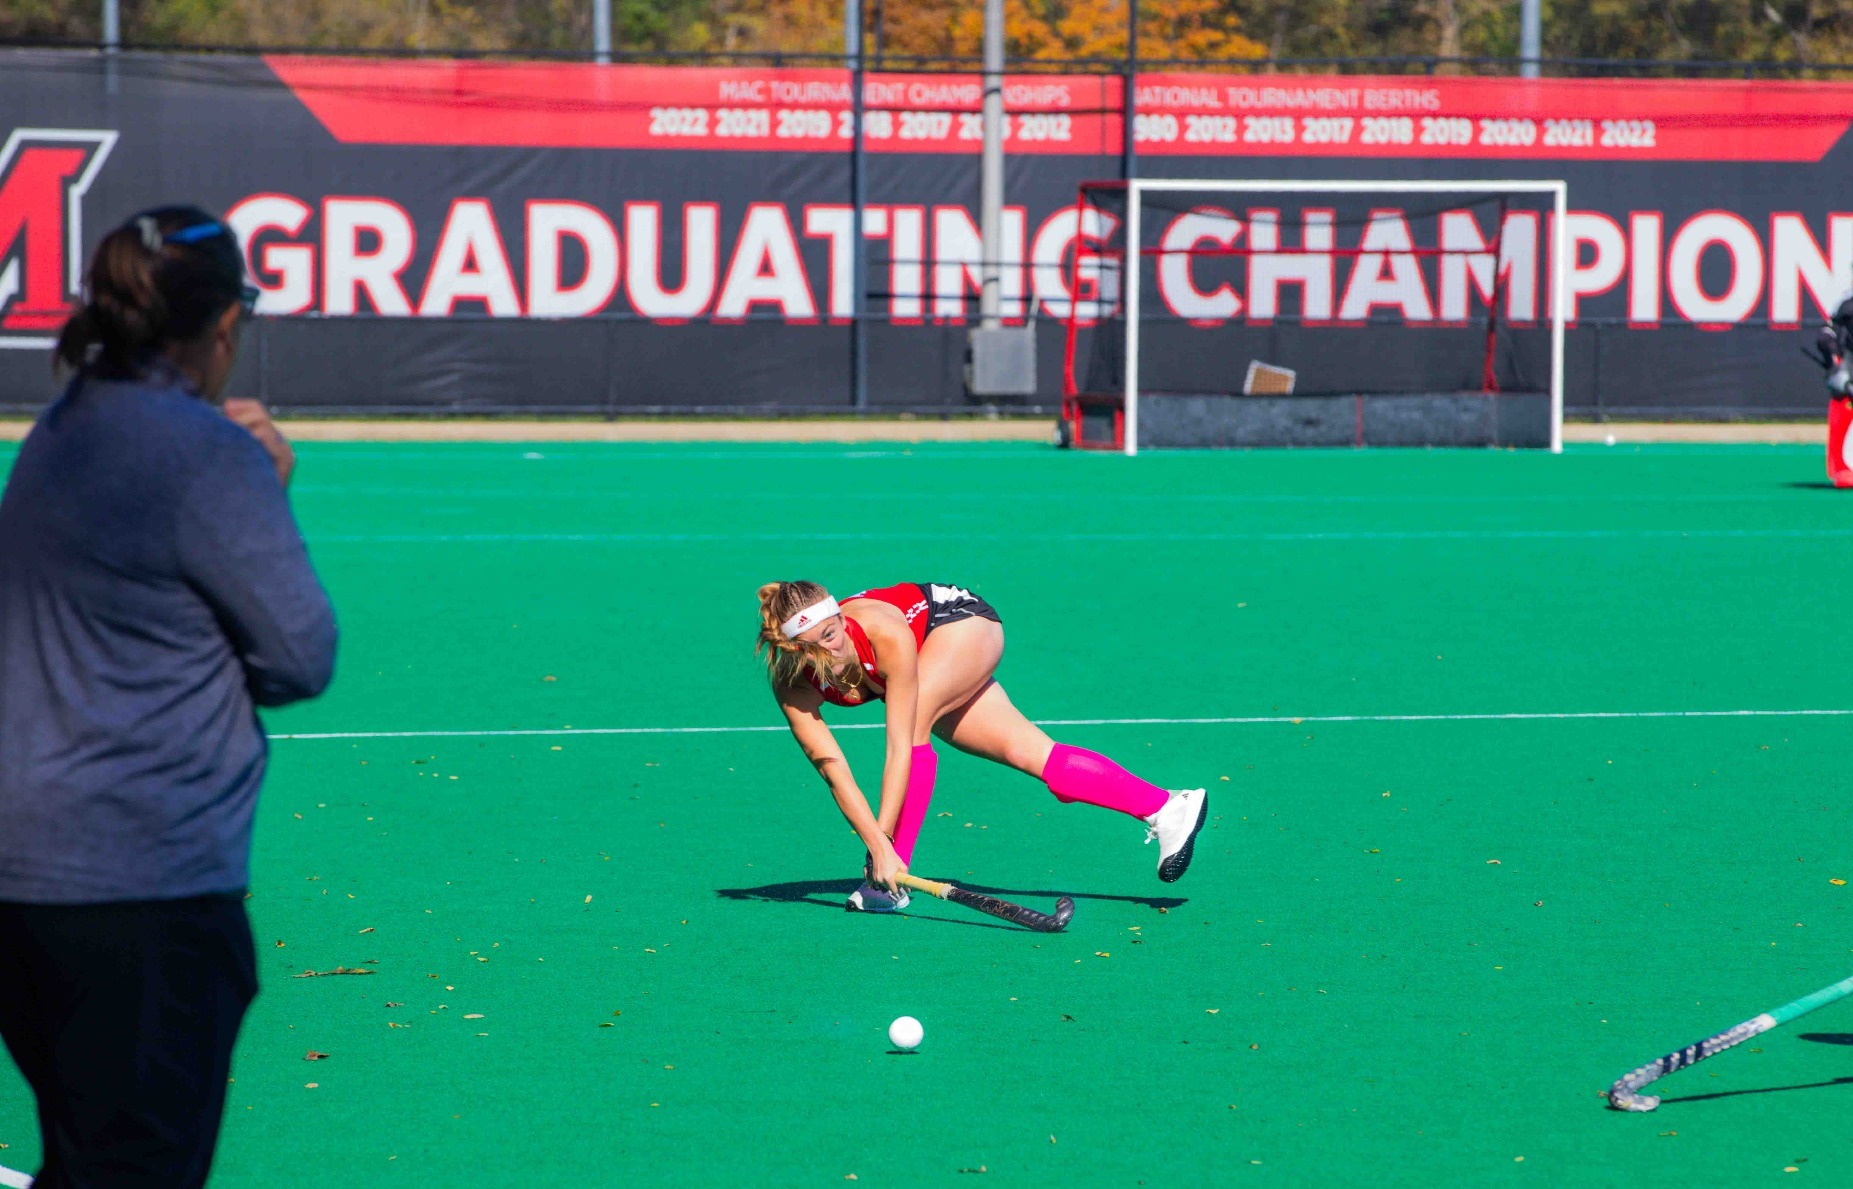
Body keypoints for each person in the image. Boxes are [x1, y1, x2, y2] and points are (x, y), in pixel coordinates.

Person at [0, 206, 338, 1188]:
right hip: (139, 880)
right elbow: (298, 656)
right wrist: (264, 483)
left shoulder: (64, 425)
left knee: (86, 1151)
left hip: (28, 878)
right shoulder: (205, 452)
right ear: (223, 325)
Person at [755, 580, 1206, 912]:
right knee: (1030, 753)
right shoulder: (792, 683)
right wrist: (875, 842)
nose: (828, 656)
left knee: (915, 724)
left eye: (831, 635)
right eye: (809, 648)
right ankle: (1166, 807)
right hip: (933, 656)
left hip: (957, 624)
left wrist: (886, 850)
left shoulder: (883, 632)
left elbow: (901, 749)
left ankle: (889, 884)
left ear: (840, 618)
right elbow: (833, 769)